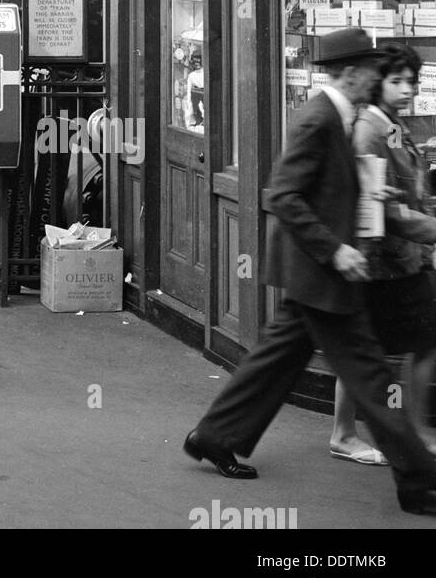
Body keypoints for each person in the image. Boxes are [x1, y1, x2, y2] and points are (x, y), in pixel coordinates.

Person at [184, 27, 436, 514]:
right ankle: (419, 480)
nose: (376, 78)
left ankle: (213, 435)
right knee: (367, 376)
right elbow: (285, 195)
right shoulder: (320, 119)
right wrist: (336, 251)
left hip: (312, 272)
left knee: (275, 359)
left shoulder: (340, 117)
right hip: (321, 271)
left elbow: (326, 190)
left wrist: (372, 196)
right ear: (348, 73)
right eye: (370, 71)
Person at [330, 42, 436, 463]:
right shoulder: (370, 129)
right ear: (378, 84)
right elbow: (381, 209)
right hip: (382, 262)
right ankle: (385, 434)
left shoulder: (391, 124)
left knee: (391, 347)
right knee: (374, 350)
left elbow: (407, 188)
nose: (407, 89)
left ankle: (397, 431)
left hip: (400, 258)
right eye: (397, 81)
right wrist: (430, 230)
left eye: (412, 81)